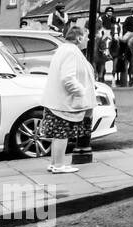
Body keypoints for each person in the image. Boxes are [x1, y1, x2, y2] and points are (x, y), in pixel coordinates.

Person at [41, 24, 97, 174]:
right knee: (61, 135)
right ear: (79, 38)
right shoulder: (71, 52)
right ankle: (59, 165)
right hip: (64, 102)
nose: (88, 40)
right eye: (86, 36)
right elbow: (68, 78)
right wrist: (82, 92)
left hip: (59, 100)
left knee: (58, 135)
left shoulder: (64, 49)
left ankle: (55, 163)